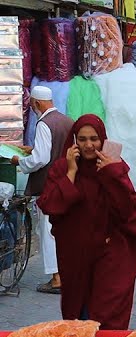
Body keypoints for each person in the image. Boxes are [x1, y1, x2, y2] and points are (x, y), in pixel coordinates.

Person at [36, 115, 136, 328]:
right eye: (83, 139)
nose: (88, 145)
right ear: (75, 141)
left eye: (94, 139)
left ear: (102, 139)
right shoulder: (62, 167)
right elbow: (51, 205)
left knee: (107, 312)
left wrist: (111, 173)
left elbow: (127, 208)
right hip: (75, 254)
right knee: (78, 313)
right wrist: (71, 172)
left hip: (110, 252)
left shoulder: (114, 164)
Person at [12, 85, 71, 295]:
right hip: (66, 186)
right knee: (61, 232)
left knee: (48, 232)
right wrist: (33, 149)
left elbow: (42, 159)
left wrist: (20, 160)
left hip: (49, 187)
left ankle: (57, 279)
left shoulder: (44, 124)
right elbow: (57, 149)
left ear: (36, 103)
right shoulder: (66, 121)